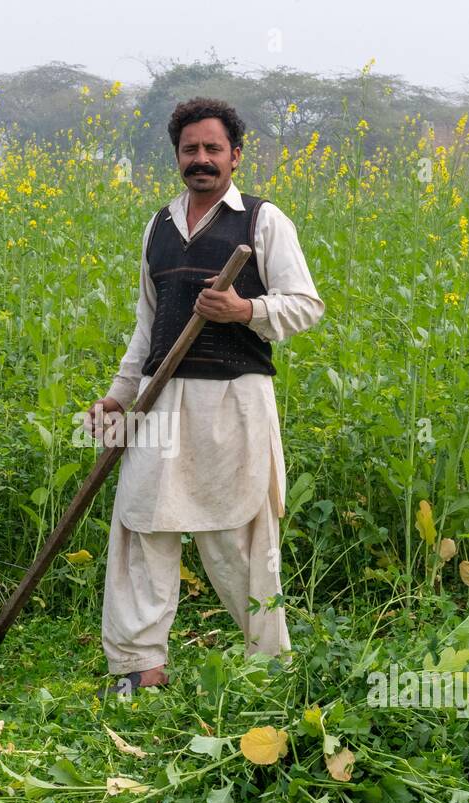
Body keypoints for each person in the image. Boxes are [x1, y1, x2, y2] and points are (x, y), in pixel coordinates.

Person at [84, 97, 325, 699]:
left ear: (235, 155)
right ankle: (140, 667)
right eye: (190, 149)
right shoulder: (158, 228)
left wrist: (246, 310)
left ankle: (267, 666)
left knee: (237, 530)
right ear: (177, 157)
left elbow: (305, 305)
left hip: (234, 399)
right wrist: (119, 397)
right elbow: (148, 324)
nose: (201, 159)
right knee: (144, 524)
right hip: (159, 402)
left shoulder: (263, 222)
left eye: (213, 148)